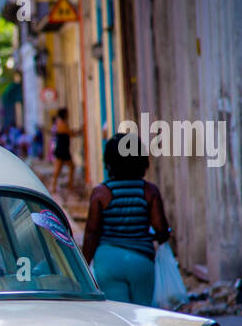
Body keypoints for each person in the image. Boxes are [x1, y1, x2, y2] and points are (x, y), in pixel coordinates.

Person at [82, 134, 174, 305]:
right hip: (141, 261)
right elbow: (161, 229)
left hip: (108, 262)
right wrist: (160, 235)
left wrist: (83, 266)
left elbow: (92, 233)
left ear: (109, 161)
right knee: (141, 314)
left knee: (119, 316)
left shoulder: (101, 193)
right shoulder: (149, 191)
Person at [49, 107, 81, 195]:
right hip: (61, 150)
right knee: (59, 170)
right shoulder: (61, 123)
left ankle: (65, 186)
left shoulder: (61, 123)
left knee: (68, 168)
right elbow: (70, 133)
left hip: (63, 149)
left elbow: (70, 132)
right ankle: (58, 187)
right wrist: (79, 131)